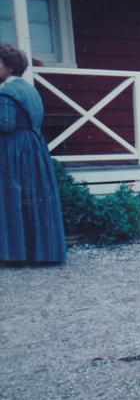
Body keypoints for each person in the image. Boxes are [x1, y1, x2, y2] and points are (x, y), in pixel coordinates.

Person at [0, 44, 67, 265]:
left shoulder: (6, 91)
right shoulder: (29, 88)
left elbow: (5, 124)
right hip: (35, 148)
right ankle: (43, 253)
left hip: (14, 148)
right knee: (34, 200)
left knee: (12, 197)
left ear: (10, 67)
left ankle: (14, 255)